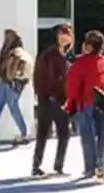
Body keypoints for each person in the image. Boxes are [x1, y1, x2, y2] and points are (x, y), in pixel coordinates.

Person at [65, 30, 104, 182]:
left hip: (84, 103)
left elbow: (72, 86)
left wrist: (70, 105)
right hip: (103, 104)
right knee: (102, 136)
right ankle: (101, 167)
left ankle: (90, 168)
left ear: (89, 47)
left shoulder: (79, 64)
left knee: (87, 136)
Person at [31, 23, 73, 177]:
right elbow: (46, 77)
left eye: (68, 34)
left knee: (60, 132)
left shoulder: (66, 55)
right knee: (48, 132)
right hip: (51, 98)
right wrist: (49, 94)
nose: (66, 37)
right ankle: (39, 166)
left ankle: (55, 165)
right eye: (62, 33)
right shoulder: (50, 55)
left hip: (58, 98)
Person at [0, 29, 34, 147]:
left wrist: (15, 78)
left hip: (9, 84)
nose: (6, 39)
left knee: (9, 108)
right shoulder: (9, 51)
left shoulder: (16, 52)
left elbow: (22, 66)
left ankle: (25, 133)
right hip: (3, 82)